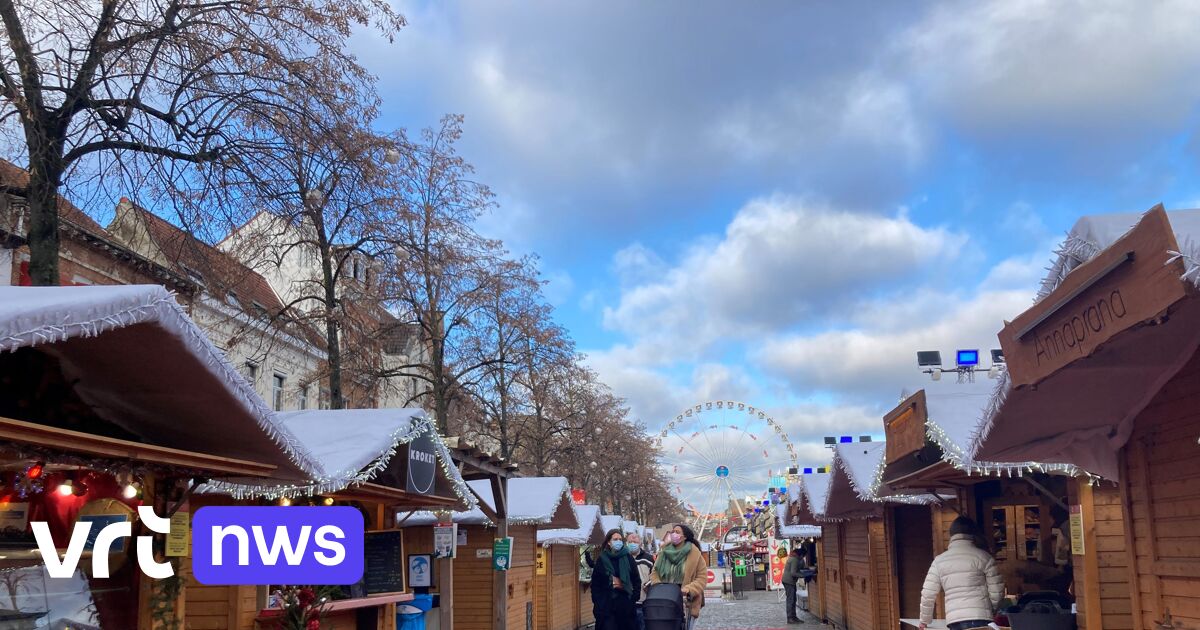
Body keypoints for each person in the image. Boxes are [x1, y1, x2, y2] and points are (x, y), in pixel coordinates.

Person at [919, 516, 1004, 630]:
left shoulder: (939, 561)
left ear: (951, 535)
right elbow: (997, 591)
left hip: (955, 621)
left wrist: (924, 621)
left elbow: (928, 594)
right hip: (981, 617)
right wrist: (989, 610)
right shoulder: (985, 557)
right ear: (973, 534)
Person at [648, 523, 708, 628]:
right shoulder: (664, 552)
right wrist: (658, 586)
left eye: (677, 532)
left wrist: (689, 589)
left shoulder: (695, 553)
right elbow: (654, 572)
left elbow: (702, 578)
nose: (673, 534)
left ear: (684, 537)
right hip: (665, 599)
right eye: (673, 532)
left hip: (686, 600)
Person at [591, 528, 641, 630]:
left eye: (620, 539)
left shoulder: (628, 558)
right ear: (609, 542)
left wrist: (632, 599)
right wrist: (599, 603)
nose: (618, 541)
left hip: (626, 608)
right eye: (615, 539)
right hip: (607, 607)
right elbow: (595, 584)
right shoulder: (602, 559)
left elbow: (636, 580)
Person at [626, 533, 654, 630]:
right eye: (630, 542)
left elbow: (655, 577)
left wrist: (649, 584)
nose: (632, 544)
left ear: (640, 543)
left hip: (643, 602)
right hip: (627, 602)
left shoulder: (649, 558)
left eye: (635, 542)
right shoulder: (623, 558)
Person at [781, 546, 806, 624]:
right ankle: (790, 618)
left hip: (789, 581)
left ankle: (793, 617)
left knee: (793, 599)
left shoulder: (795, 558)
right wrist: (803, 575)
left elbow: (801, 567)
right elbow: (793, 573)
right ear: (800, 555)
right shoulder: (794, 560)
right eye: (803, 556)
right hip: (789, 581)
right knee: (791, 600)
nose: (803, 557)